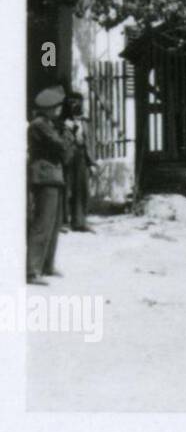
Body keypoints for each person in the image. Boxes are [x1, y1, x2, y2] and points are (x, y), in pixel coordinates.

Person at [28, 85, 70, 284]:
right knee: (43, 224)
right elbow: (60, 146)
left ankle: (47, 265)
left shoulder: (50, 125)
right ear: (50, 107)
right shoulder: (39, 125)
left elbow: (66, 154)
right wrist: (67, 136)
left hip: (54, 177)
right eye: (58, 106)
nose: (60, 109)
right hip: (45, 177)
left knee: (54, 224)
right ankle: (32, 270)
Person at [61, 91, 96, 232]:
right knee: (67, 189)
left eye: (77, 102)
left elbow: (90, 141)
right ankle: (63, 222)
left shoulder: (85, 121)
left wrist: (92, 162)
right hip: (68, 156)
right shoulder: (63, 121)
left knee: (82, 189)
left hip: (82, 156)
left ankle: (79, 222)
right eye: (71, 102)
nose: (74, 105)